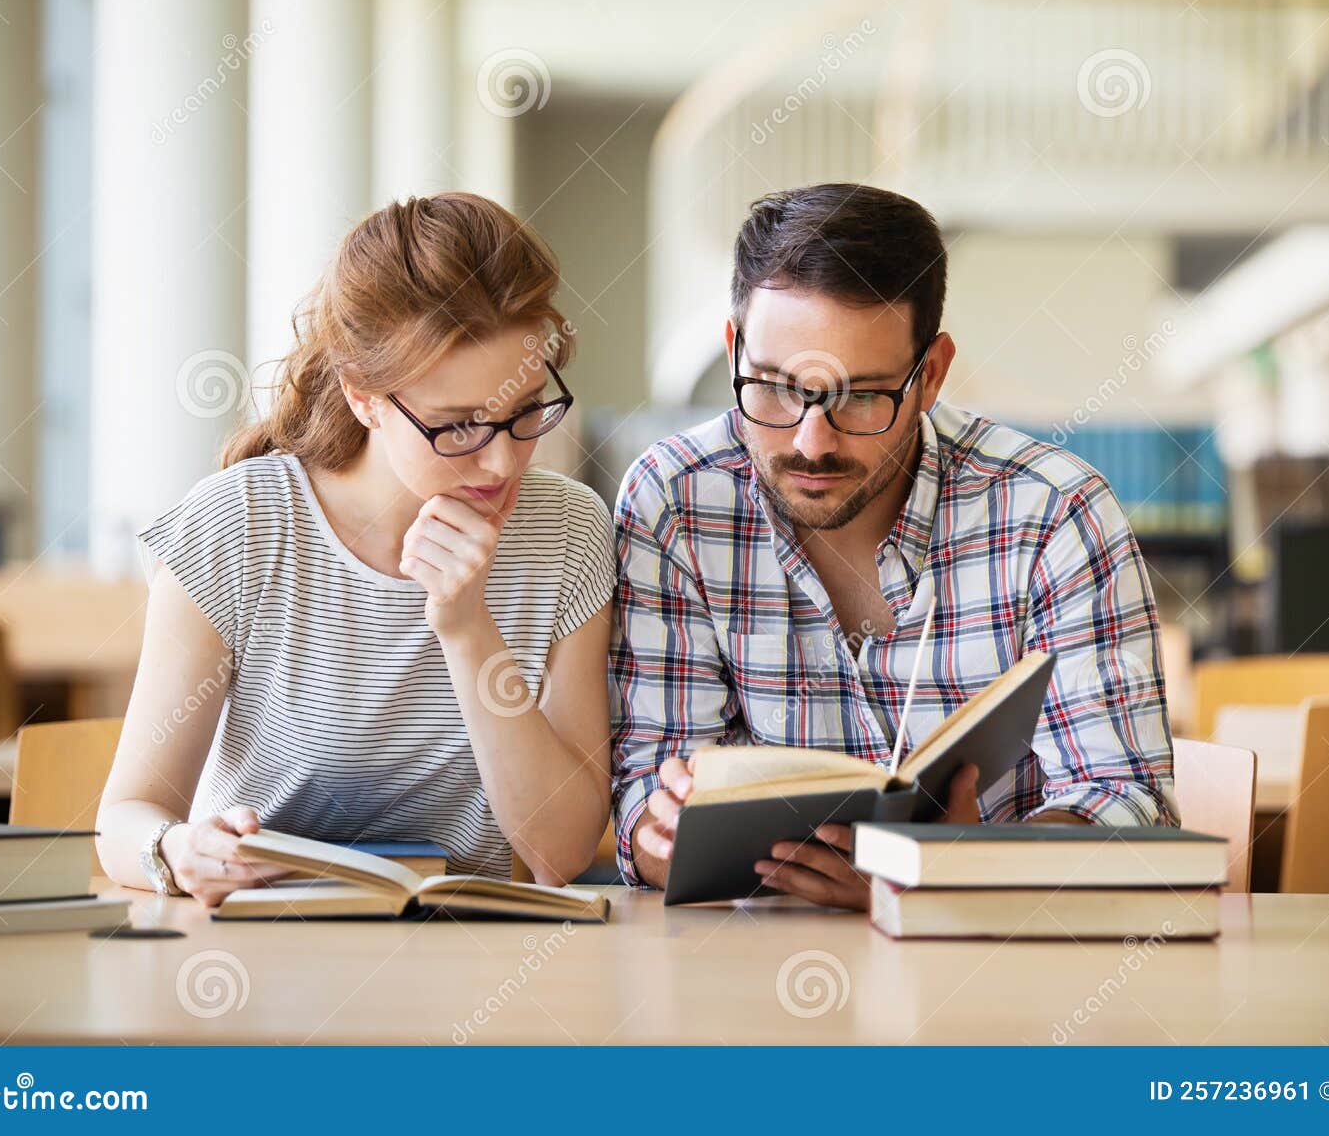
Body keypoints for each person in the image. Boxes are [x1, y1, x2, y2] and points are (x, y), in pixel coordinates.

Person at [610, 183, 1176, 909]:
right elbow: (641, 800)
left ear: (930, 374)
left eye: (861, 396)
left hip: (993, 961)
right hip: (750, 957)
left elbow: (1131, 806)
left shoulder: (1053, 512)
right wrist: (660, 831)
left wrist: (964, 870)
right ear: (733, 352)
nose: (811, 442)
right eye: (776, 387)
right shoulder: (673, 502)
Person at [98, 193, 615, 906]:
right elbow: (125, 816)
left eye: (526, 409)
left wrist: (468, 630)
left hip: (472, 955)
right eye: (457, 426)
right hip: (258, 949)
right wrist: (178, 851)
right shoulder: (238, 525)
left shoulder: (569, 531)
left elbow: (561, 852)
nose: (502, 463)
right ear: (363, 396)